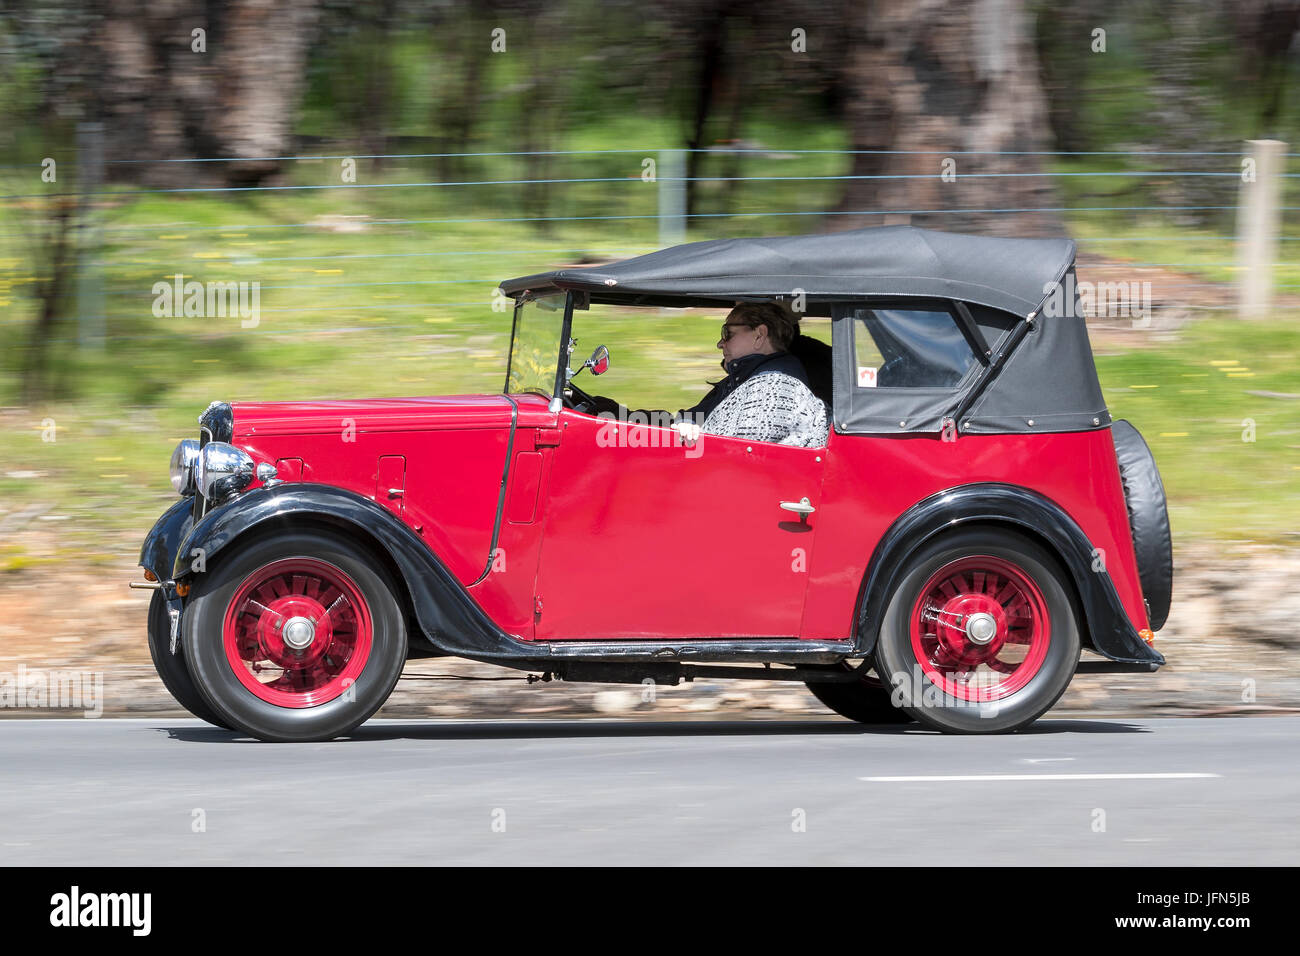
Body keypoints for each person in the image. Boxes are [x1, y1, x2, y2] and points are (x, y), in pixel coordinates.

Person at [593, 302, 828, 448]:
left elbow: (739, 453)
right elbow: (688, 419)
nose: (719, 343)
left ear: (759, 335)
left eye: (728, 333)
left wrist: (697, 435)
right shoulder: (746, 378)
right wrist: (622, 416)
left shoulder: (775, 385)